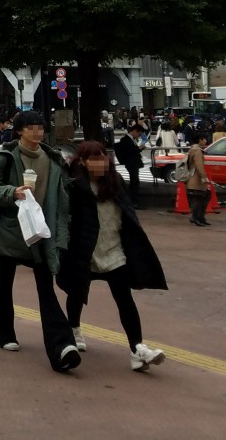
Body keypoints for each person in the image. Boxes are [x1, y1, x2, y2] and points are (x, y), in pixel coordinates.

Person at [0, 111, 80, 372]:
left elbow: (63, 196)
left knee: (46, 286)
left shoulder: (53, 159)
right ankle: (4, 334)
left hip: (42, 230)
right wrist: (12, 192)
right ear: (19, 131)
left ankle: (61, 347)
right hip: (13, 228)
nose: (37, 132)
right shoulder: (5, 157)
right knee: (5, 279)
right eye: (31, 128)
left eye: (40, 128)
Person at [58, 141, 167, 371]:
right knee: (77, 292)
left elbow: (128, 216)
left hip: (113, 249)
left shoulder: (115, 182)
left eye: (102, 157)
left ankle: (137, 349)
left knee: (124, 299)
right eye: (93, 158)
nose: (99, 162)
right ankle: (74, 329)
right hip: (85, 250)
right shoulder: (75, 184)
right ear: (83, 162)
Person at [184, 129, 213, 227]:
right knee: (199, 198)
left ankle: (200, 217)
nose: (205, 141)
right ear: (200, 140)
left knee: (203, 197)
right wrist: (204, 178)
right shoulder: (197, 151)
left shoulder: (193, 149)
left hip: (194, 178)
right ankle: (196, 217)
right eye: (204, 139)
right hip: (196, 179)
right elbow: (199, 166)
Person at [113, 122, 145, 207]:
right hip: (131, 163)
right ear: (135, 131)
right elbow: (130, 152)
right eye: (139, 134)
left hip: (133, 163)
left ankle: (133, 200)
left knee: (135, 182)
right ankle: (133, 201)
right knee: (134, 182)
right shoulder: (126, 140)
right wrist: (139, 148)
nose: (138, 136)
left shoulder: (131, 139)